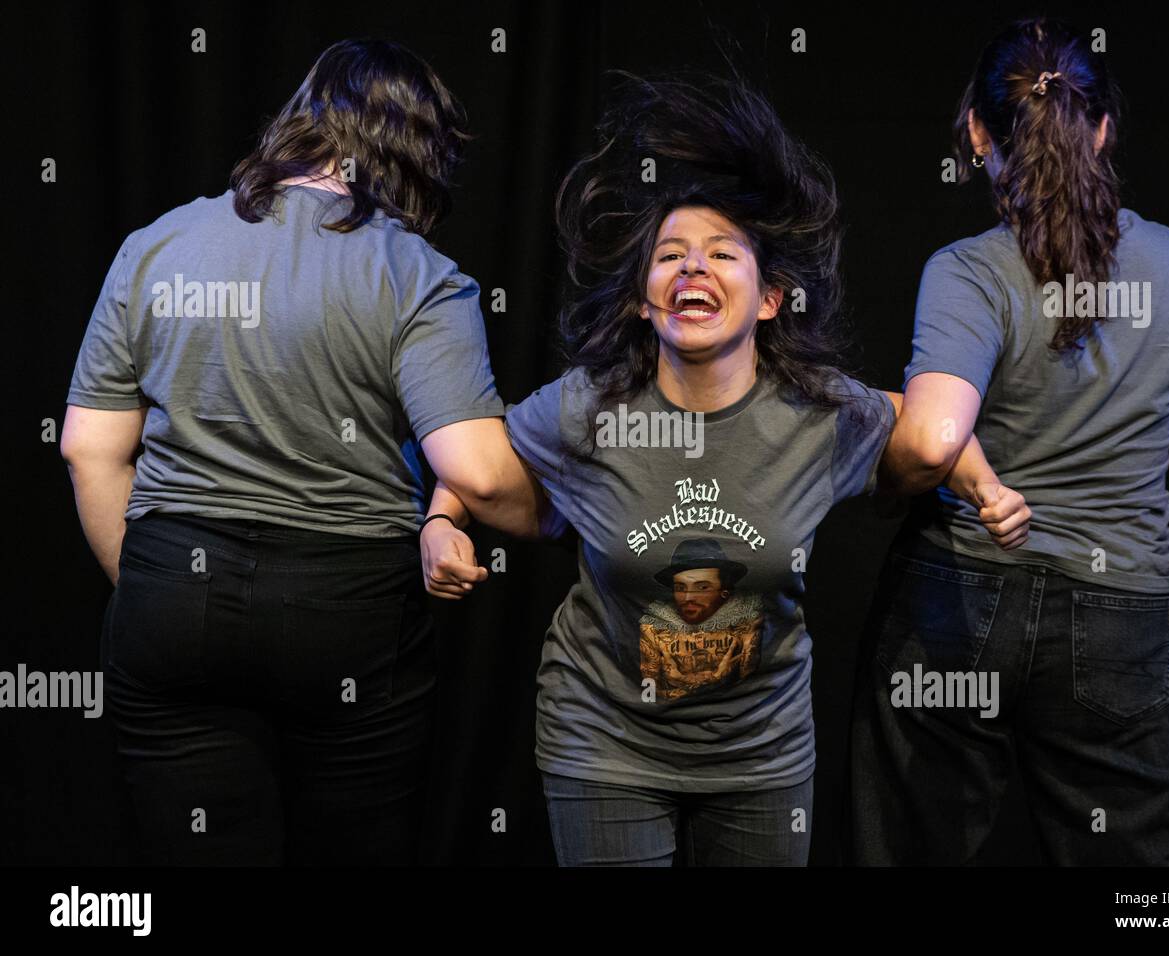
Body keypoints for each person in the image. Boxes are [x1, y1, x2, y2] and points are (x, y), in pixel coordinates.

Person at [418, 71, 1031, 866]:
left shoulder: (819, 413)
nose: (692, 270)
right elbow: (479, 451)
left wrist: (983, 485)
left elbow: (929, 420)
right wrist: (440, 519)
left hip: (761, 757)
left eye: (720, 255)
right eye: (669, 256)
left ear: (772, 298)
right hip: (604, 742)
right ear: (643, 300)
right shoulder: (588, 407)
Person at [60, 38, 521, 864]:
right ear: (408, 147)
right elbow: (480, 472)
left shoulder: (157, 246)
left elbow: (88, 449)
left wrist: (154, 584)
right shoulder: (415, 274)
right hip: (346, 611)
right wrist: (564, 514)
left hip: (173, 596)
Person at [849, 17, 1169, 866]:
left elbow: (927, 442)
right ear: (1102, 129)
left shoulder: (967, 271)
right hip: (1122, 621)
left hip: (961, 601)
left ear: (978, 134)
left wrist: (895, 476)